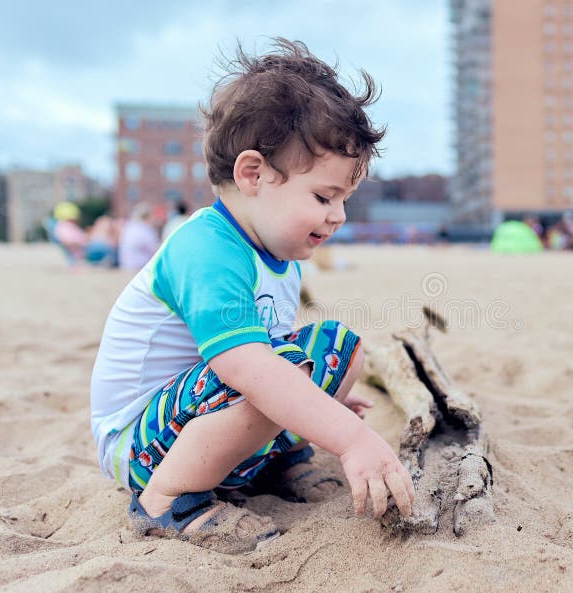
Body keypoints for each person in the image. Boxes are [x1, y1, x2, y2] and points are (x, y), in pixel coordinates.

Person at [90, 39, 414, 555]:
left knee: (338, 347)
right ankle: (166, 502)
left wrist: (320, 402)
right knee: (275, 371)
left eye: (344, 201)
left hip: (204, 412)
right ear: (253, 174)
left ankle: (277, 461)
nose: (338, 217)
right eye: (324, 197)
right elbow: (249, 368)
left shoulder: (276, 256)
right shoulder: (206, 248)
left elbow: (277, 355)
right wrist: (347, 438)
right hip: (144, 444)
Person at [117, 202, 160, 270]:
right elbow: (156, 252)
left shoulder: (128, 227)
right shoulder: (146, 229)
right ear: (147, 216)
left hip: (125, 266)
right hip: (139, 268)